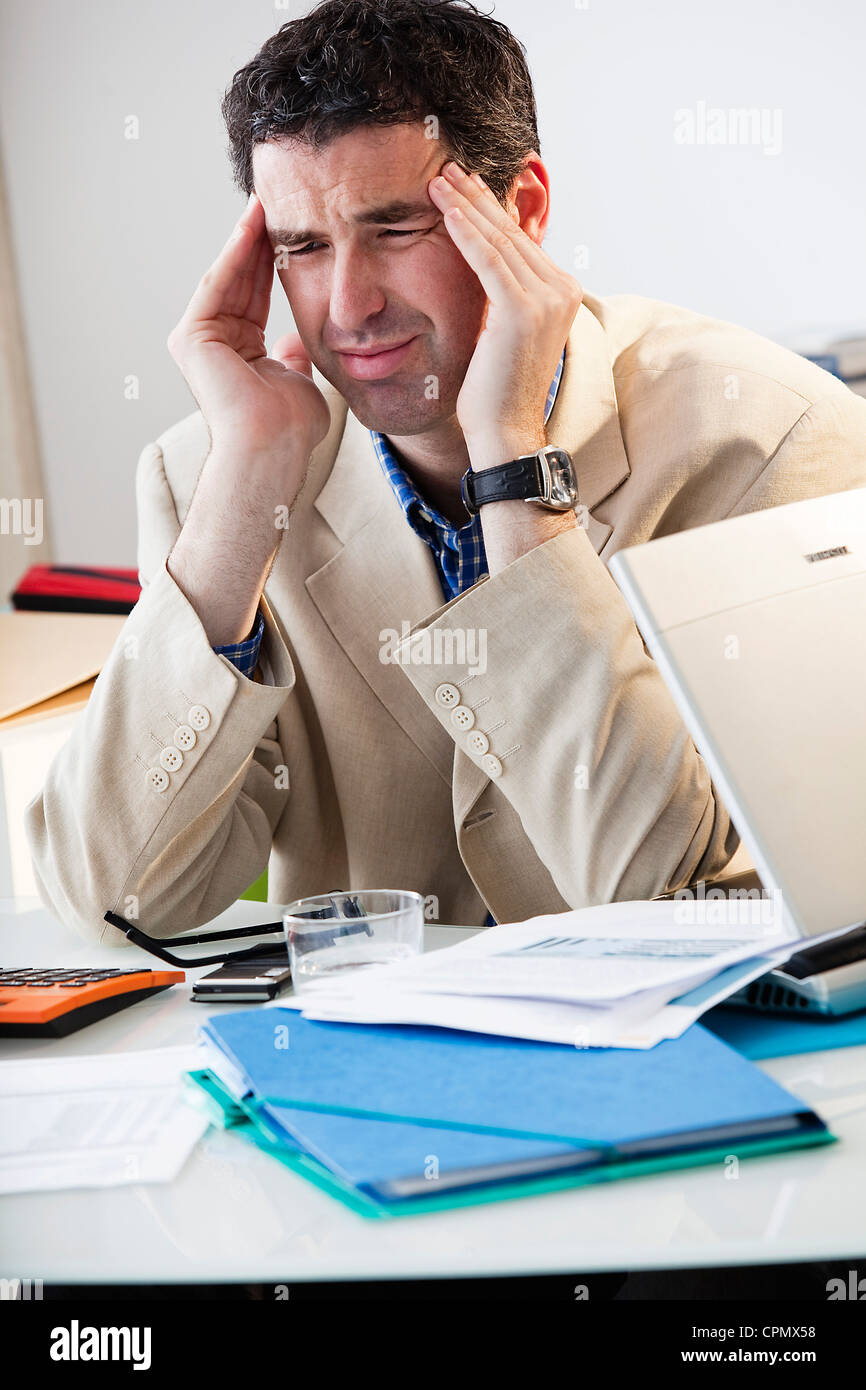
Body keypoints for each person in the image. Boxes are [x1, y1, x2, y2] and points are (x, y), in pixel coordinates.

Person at [26, 0, 866, 942]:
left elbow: (676, 911)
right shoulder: (217, 477)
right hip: (358, 1069)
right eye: (302, 247)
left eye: (395, 229)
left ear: (526, 211)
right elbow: (114, 903)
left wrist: (512, 464)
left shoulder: (782, 442)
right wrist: (246, 487)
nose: (348, 307)